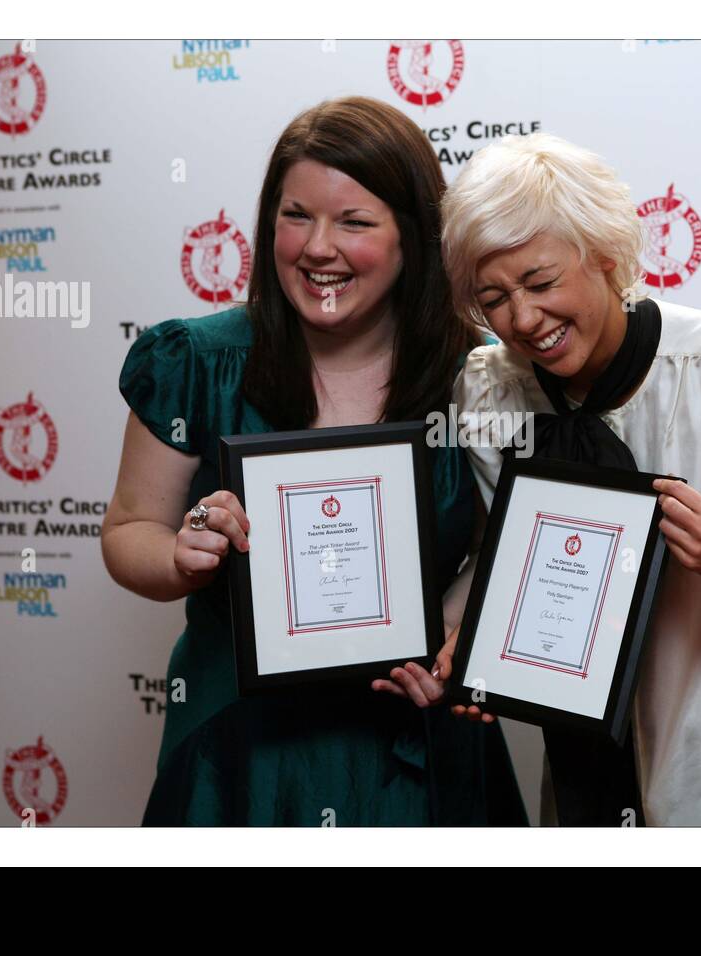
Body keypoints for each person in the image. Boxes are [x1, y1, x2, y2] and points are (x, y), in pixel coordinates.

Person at [377, 132, 701, 826]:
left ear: (606, 256)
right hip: (582, 759)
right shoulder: (490, 390)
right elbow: (500, 555)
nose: (522, 319)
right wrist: (454, 639)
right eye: (493, 298)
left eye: (541, 282)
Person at [101, 96, 527, 826]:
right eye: (296, 215)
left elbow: (500, 546)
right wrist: (184, 552)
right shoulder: (196, 363)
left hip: (415, 733)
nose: (317, 248)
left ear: (413, 238)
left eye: (355, 222)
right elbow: (128, 529)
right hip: (239, 747)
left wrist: (452, 641)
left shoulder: (484, 377)